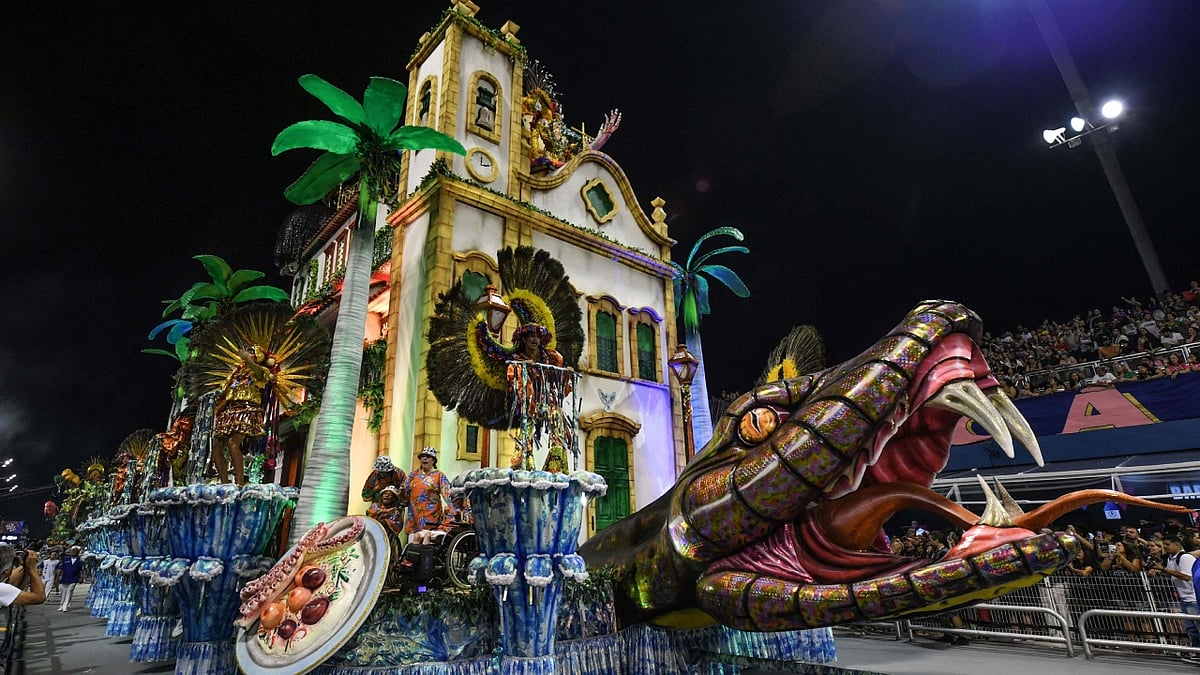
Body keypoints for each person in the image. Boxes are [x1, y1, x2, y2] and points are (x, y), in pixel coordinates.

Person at [212, 346, 275, 485]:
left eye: (252, 351)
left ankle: (239, 483)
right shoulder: (236, 373)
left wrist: (247, 359)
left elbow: (259, 374)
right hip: (230, 411)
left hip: (248, 409)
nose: (247, 352)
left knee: (233, 443)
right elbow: (223, 390)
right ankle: (224, 483)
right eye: (247, 350)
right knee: (216, 448)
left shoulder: (261, 371)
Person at [1158, 536, 1200, 659]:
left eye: (1167, 544)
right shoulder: (1171, 559)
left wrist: (1164, 570)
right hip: (1184, 598)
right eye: (1164, 544)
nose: (1165, 547)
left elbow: (1187, 577)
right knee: (1191, 629)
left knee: (1198, 627)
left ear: (1177, 545)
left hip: (1193, 598)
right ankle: (1197, 653)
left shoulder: (1185, 557)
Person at [403, 448, 453, 546]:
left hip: (432, 517)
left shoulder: (439, 476)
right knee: (413, 547)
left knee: (427, 547)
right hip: (414, 517)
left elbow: (448, 494)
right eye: (422, 457)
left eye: (428, 457)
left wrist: (453, 509)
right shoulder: (413, 475)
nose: (424, 459)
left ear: (433, 460)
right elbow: (405, 493)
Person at [57, 545, 84, 611]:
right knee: (64, 593)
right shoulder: (66, 559)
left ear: (77, 552)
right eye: (72, 551)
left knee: (69, 591)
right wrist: (58, 576)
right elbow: (60, 568)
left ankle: (65, 606)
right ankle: (61, 605)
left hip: (74, 578)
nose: (73, 552)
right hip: (65, 578)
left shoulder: (80, 561)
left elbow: (81, 570)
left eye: (75, 551)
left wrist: (81, 578)